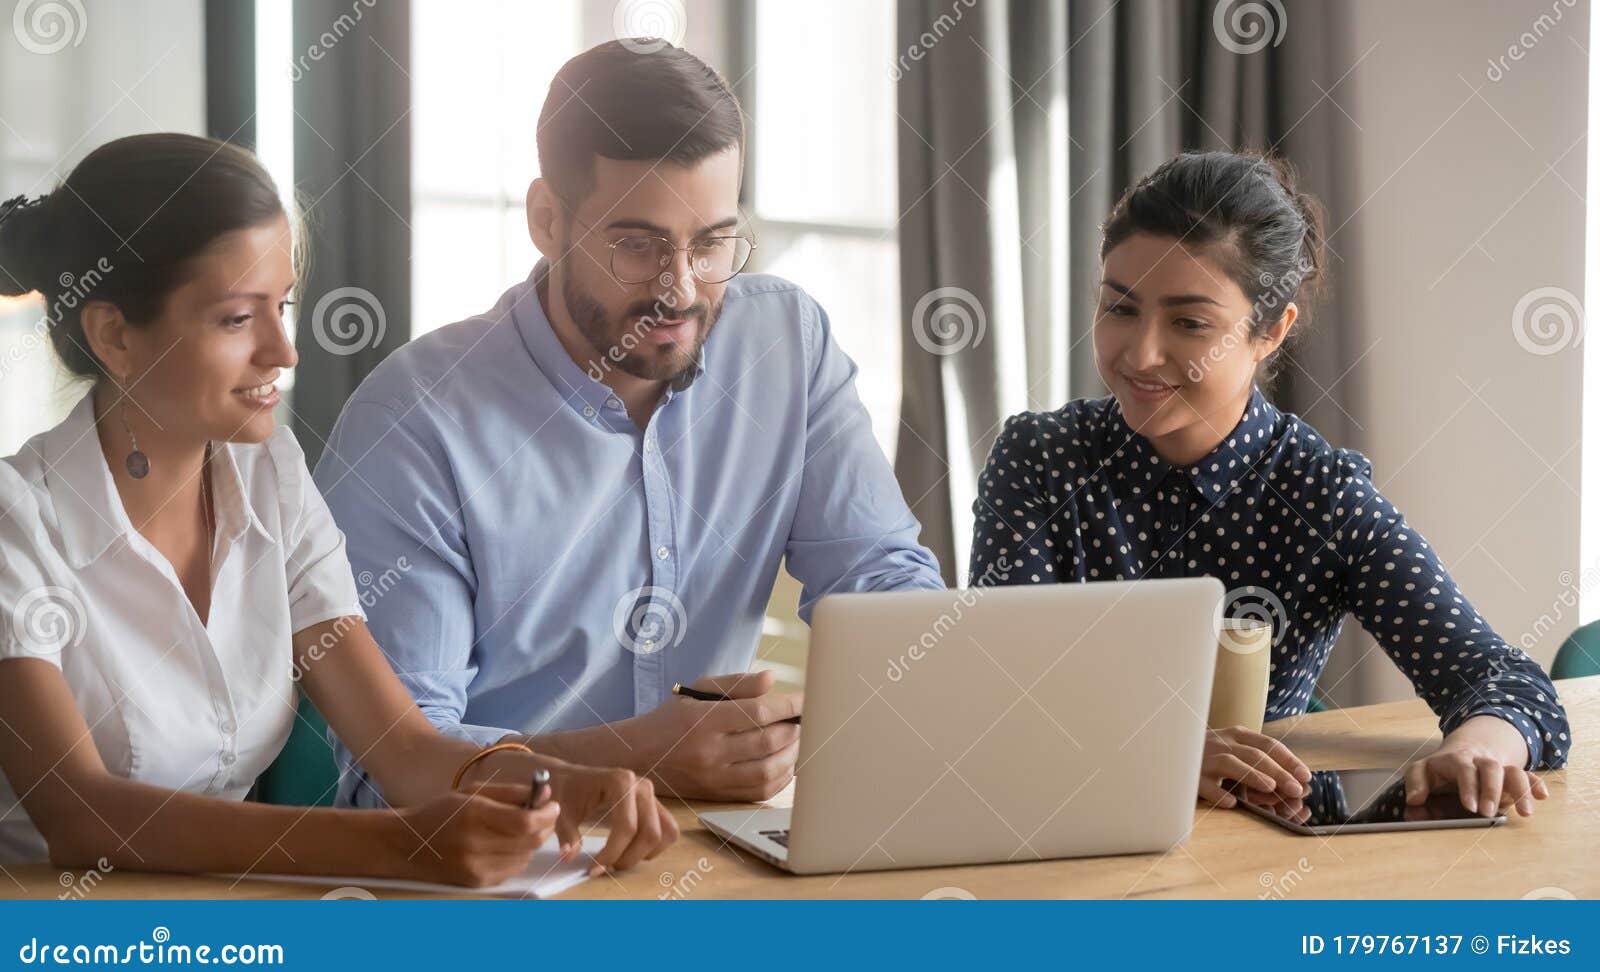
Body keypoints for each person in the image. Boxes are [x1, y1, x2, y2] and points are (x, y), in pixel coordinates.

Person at [0, 133, 676, 880]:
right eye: (236, 319)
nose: (284, 352)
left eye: (282, 307)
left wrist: (557, 785)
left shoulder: (272, 477)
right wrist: (399, 845)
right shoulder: (16, 522)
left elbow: (406, 749)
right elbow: (82, 817)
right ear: (114, 335)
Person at [315, 40, 944, 809]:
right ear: (548, 219)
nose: (680, 291)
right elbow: (391, 781)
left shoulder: (786, 343)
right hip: (502, 883)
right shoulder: (412, 425)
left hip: (717, 855)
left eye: (712, 244)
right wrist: (637, 762)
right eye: (638, 246)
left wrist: (917, 685)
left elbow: (878, 575)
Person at [969, 149, 1568, 820]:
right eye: (1121, 309)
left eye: (1190, 323)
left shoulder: (1323, 495)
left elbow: (1507, 682)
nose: (1139, 353)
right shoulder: (1040, 459)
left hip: (1274, 851)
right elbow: (999, 695)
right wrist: (1160, 753)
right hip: (1070, 828)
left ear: (1270, 331)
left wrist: (1484, 743)